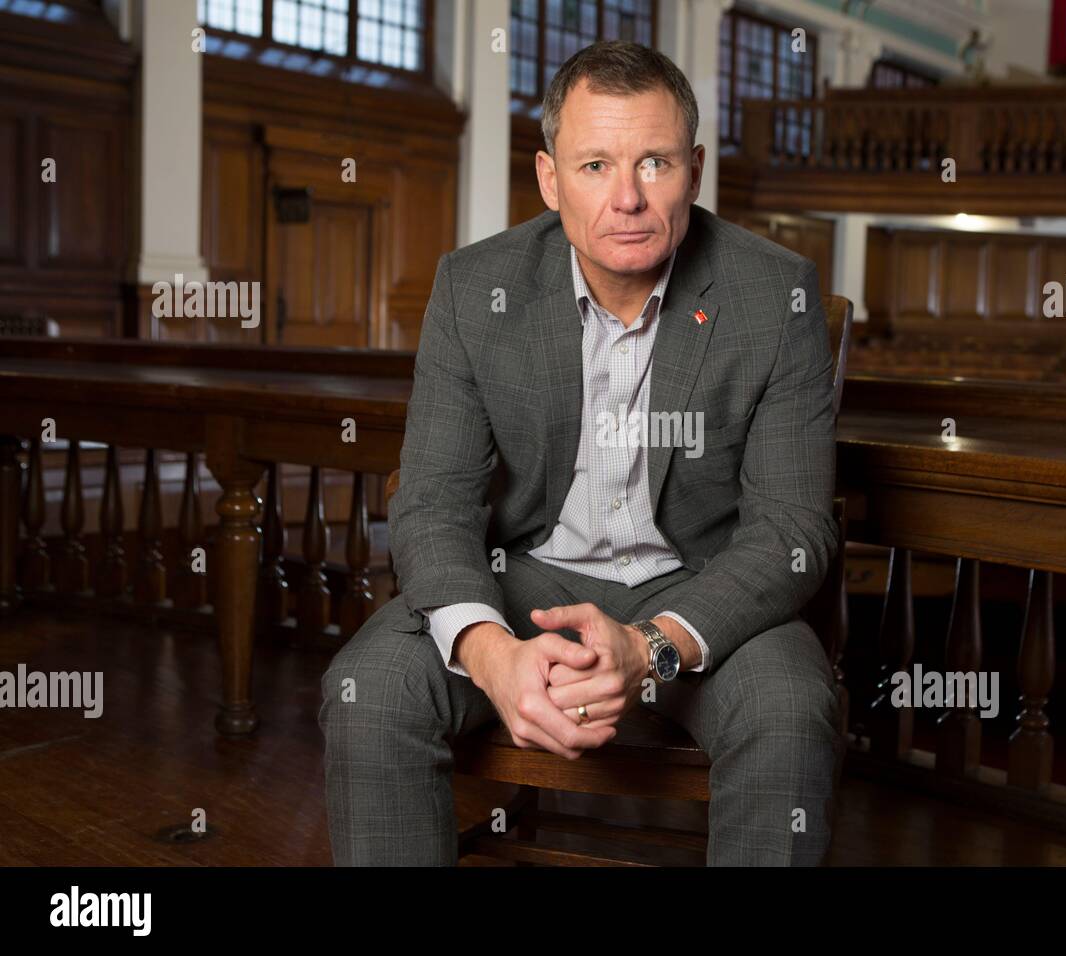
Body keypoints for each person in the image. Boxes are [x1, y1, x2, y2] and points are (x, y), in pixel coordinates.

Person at [320, 39, 842, 866]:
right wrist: (493, 657)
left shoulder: (775, 295)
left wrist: (651, 646)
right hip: (524, 576)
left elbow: (792, 530)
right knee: (370, 693)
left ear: (695, 170)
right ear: (549, 178)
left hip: (702, 585)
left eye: (655, 163)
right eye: (595, 164)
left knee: (788, 713)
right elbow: (430, 503)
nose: (627, 198)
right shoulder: (473, 287)